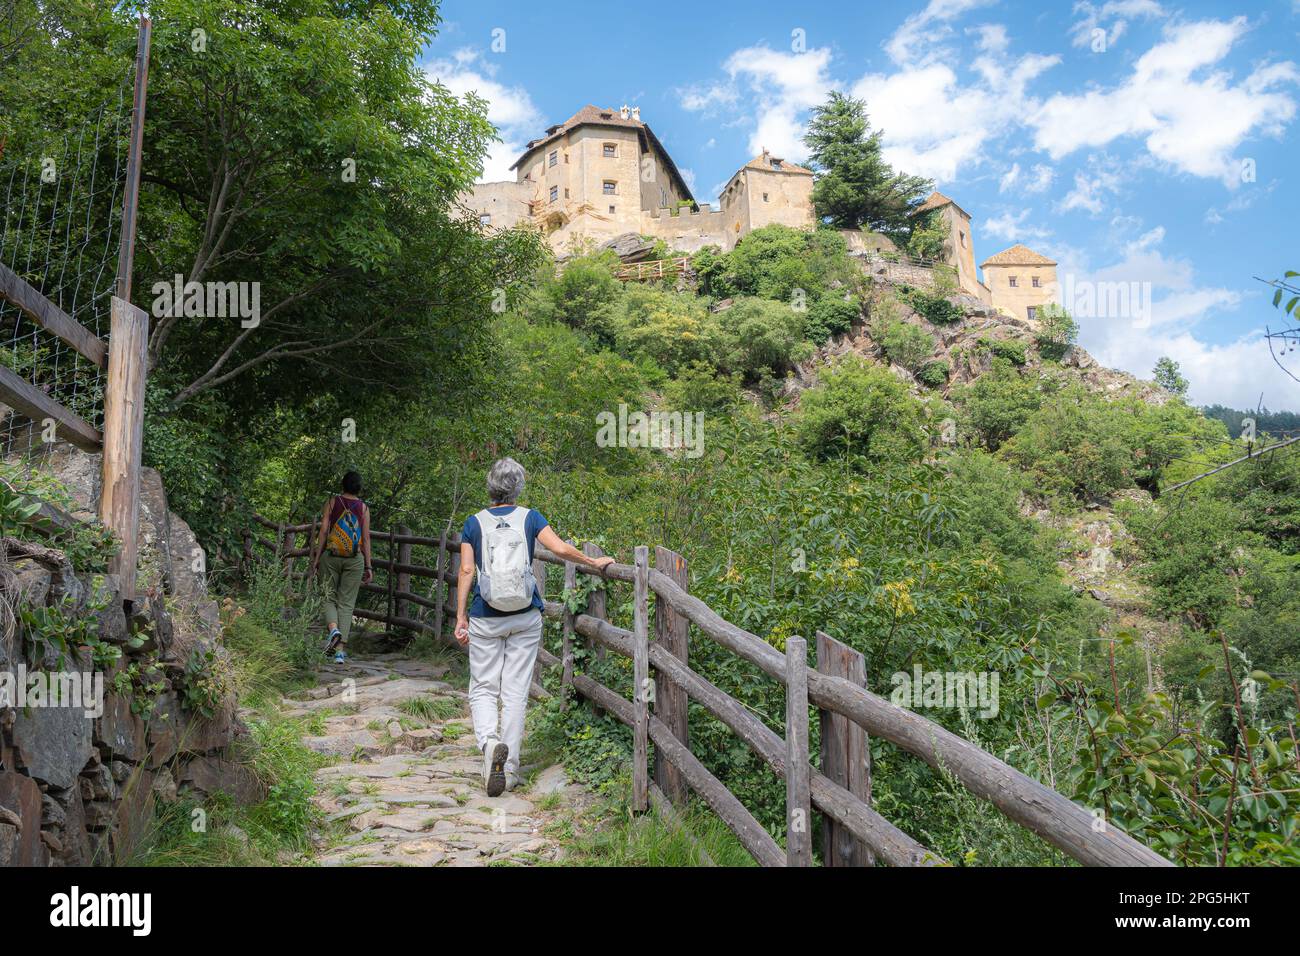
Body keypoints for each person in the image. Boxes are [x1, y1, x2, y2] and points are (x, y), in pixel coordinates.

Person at [455, 457, 613, 797]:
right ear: (518, 487)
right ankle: (508, 768)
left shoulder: (473, 523)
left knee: (483, 687)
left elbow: (467, 572)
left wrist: (460, 616)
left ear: (490, 487)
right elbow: (559, 548)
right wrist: (592, 561)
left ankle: (489, 748)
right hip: (525, 616)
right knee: (514, 692)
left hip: (485, 615)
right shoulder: (530, 517)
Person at [309, 471, 373, 664]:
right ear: (359, 487)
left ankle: (333, 629)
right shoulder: (363, 508)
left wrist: (317, 558)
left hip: (331, 556)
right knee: (346, 603)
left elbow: (323, 531)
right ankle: (339, 651)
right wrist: (369, 566)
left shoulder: (332, 502)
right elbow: (366, 539)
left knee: (328, 597)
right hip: (354, 559)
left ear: (342, 485)